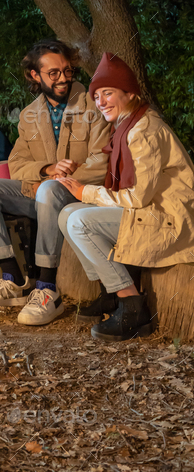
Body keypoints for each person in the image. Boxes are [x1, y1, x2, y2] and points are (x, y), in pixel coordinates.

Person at [0, 40, 110, 325]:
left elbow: (103, 162)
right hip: (41, 193)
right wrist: (46, 168)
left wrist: (62, 178)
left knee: (48, 188)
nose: (63, 79)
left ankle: (48, 289)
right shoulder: (28, 115)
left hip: (80, 195)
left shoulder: (93, 105)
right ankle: (14, 280)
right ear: (34, 75)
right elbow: (17, 164)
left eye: (67, 71)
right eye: (53, 73)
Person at [57, 52, 194, 342]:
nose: (101, 101)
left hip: (170, 221)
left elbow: (140, 197)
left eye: (108, 93)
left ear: (130, 93)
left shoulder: (144, 131)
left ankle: (132, 306)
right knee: (67, 214)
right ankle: (110, 293)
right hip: (152, 212)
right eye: (97, 96)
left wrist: (88, 193)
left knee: (80, 220)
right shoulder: (128, 125)